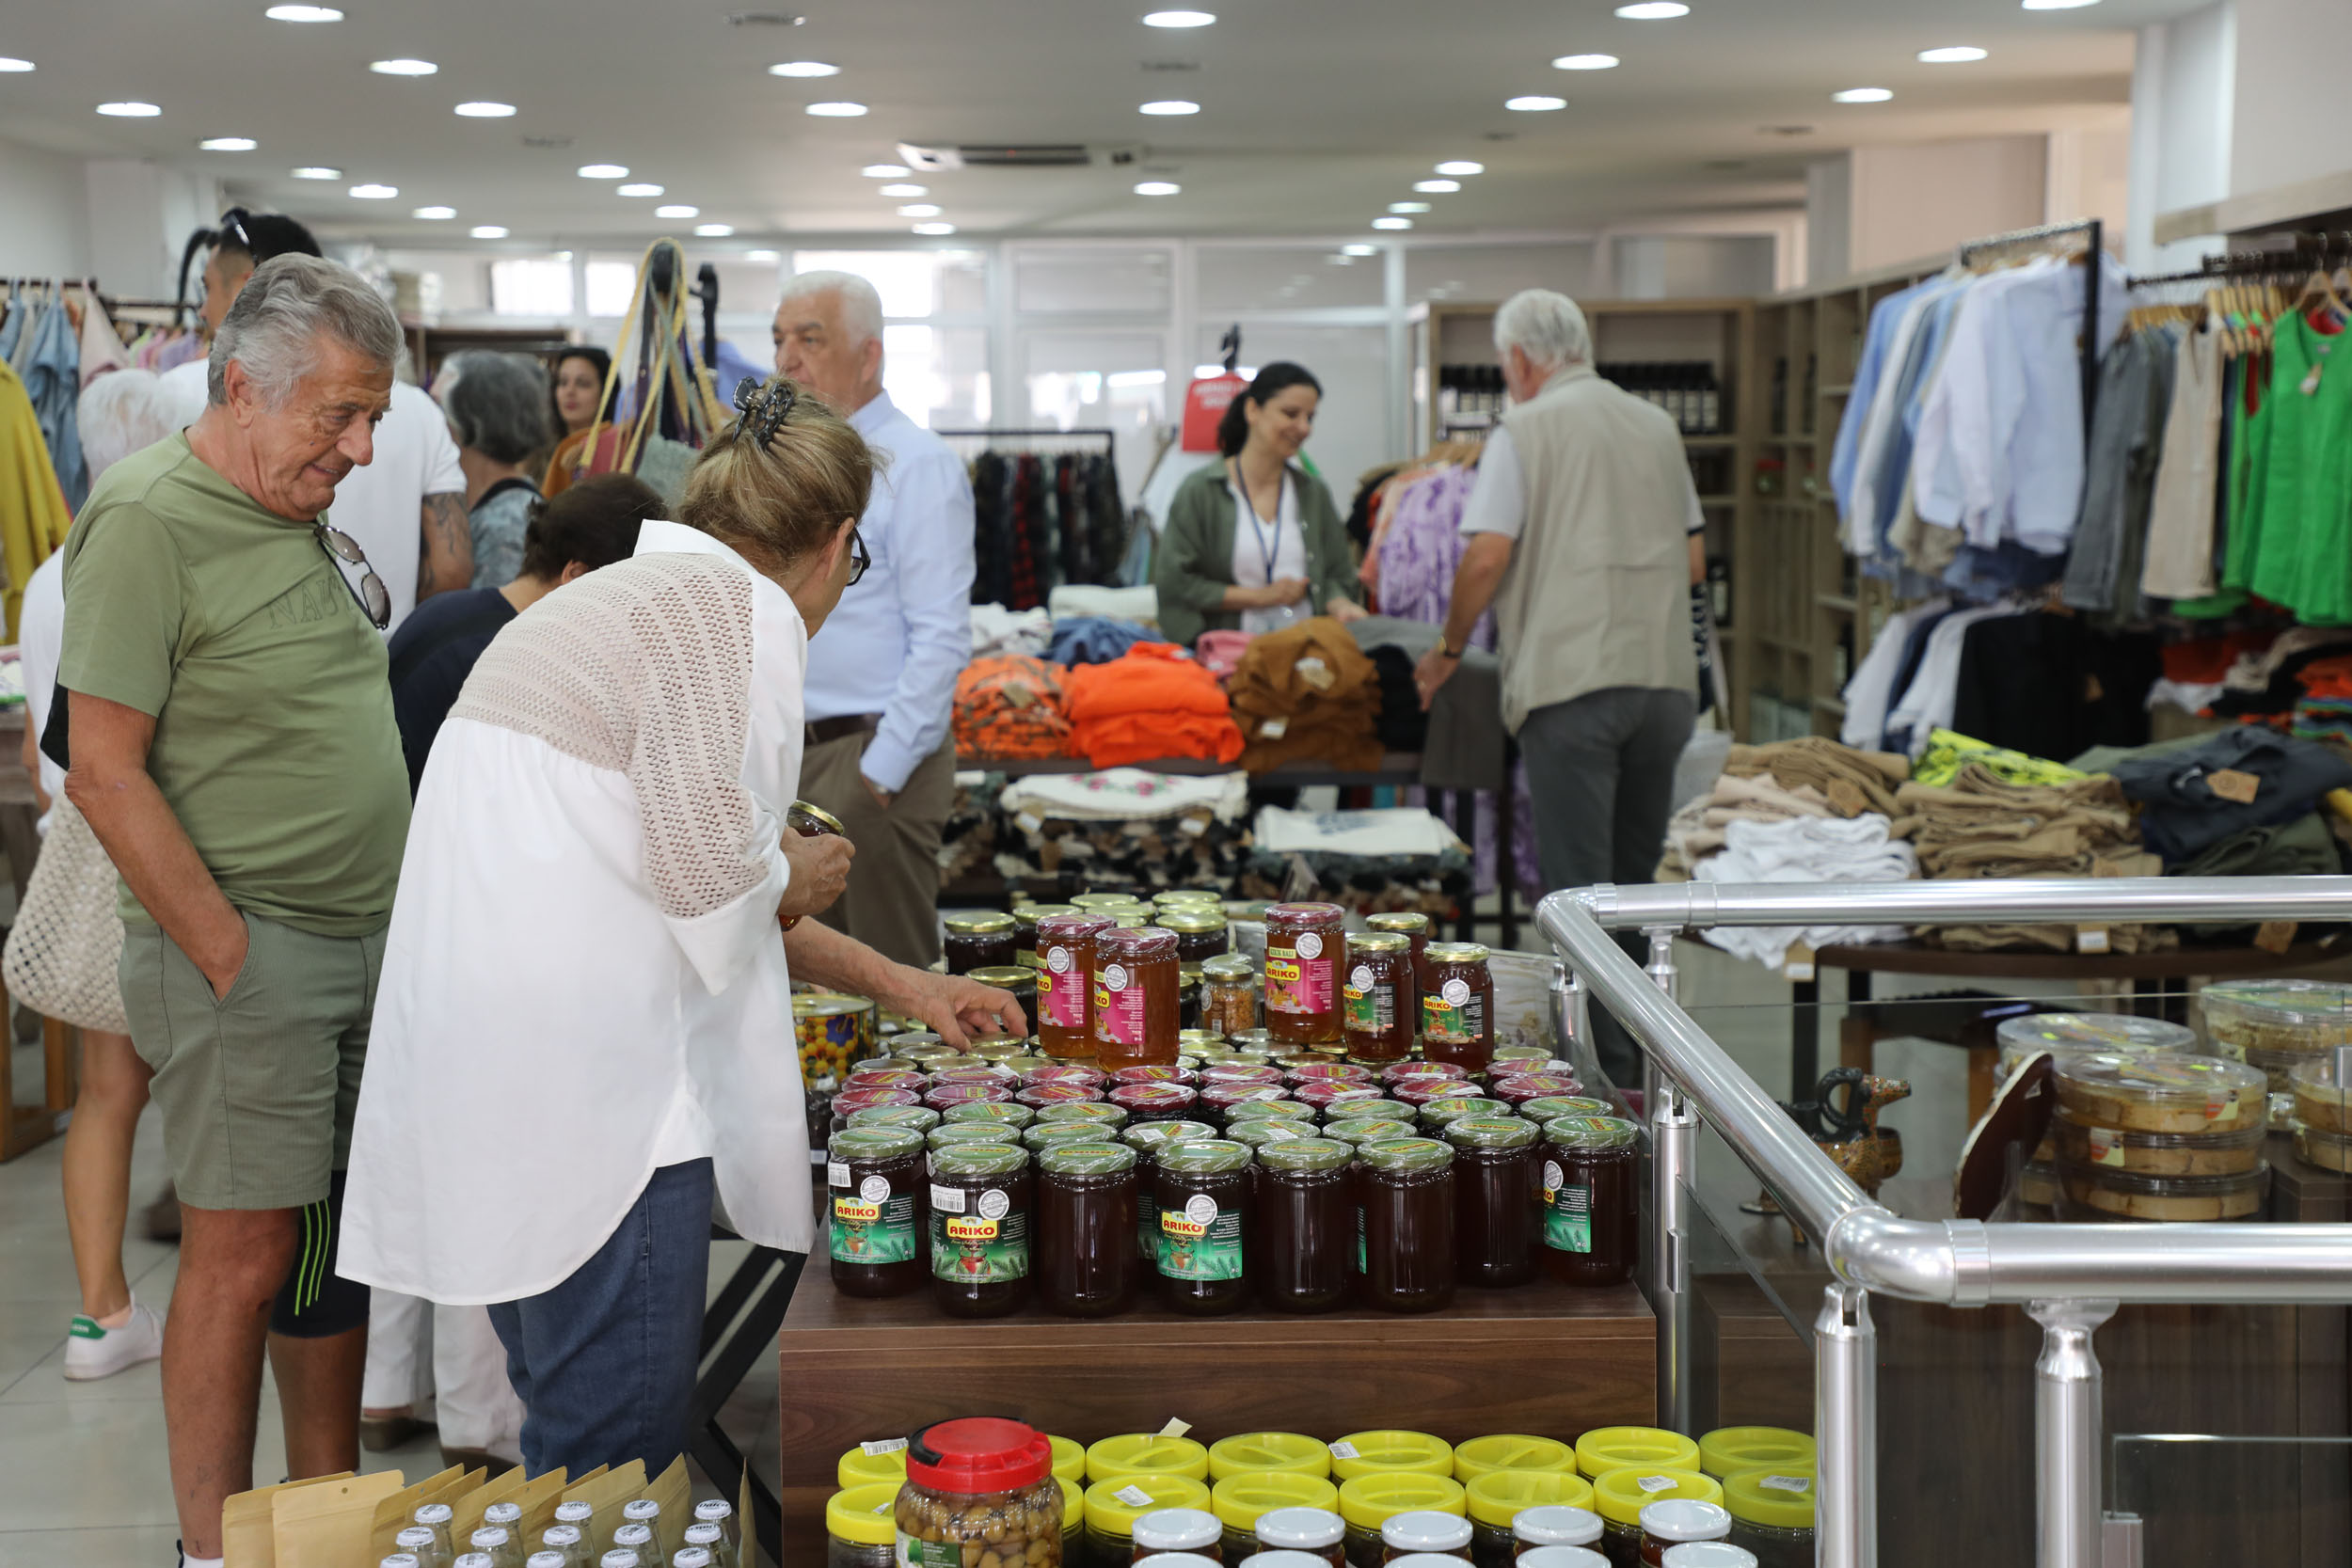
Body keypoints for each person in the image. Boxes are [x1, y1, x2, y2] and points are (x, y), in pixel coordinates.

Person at [340, 373, 1025, 1479]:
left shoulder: (608, 602)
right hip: (594, 1109)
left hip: (490, 1088)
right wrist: (796, 865)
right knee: (615, 1462)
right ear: (834, 542)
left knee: (568, 1447)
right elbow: (716, 891)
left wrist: (908, 984)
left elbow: (671, 872)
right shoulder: (729, 615)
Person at [57, 255, 411, 1565]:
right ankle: (211, 1550)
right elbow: (103, 768)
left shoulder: (292, 505)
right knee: (243, 1253)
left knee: (330, 1248)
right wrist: (227, 951)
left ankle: (325, 1520)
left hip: (361, 947)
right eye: (339, 414)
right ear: (242, 387)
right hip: (252, 953)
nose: (360, 447)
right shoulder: (149, 516)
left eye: (373, 417)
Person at [358, 471, 660, 1465]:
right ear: (575, 575)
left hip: (410, 916)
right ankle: (480, 1428)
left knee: (427, 1180)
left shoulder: (450, 620)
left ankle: (389, 1392)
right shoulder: (516, 653)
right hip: (463, 929)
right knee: (481, 1197)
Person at [1415, 289, 1704, 1087]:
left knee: (1579, 896)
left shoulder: (1525, 430)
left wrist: (1447, 648)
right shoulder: (1657, 425)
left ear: (1518, 359)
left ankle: (1604, 1086)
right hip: (1663, 684)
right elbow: (1693, 561)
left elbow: (1485, 556)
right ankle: (1647, 1064)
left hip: (1573, 685)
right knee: (1636, 892)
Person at [17, 368, 175, 1381]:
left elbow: (53, 742)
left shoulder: (48, 575)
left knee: (107, 1091)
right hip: (143, 843)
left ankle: (99, 1311)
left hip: (70, 841)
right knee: (204, 1086)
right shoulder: (150, 554)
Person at [771, 270, 974, 968]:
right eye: (779, 339)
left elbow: (942, 634)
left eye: (810, 339)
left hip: (870, 758)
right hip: (790, 756)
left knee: (892, 980)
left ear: (869, 355)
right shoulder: (788, 465)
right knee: (804, 984)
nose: (787, 358)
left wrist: (880, 775)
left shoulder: (916, 465)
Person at [161, 208, 470, 628]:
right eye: (338, 415)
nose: (200, 309)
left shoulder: (179, 390)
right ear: (241, 394)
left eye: (209, 287)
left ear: (248, 288)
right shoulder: (420, 409)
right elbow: (451, 570)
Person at [1153, 362, 1364, 649]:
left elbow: (1338, 575)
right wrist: (1260, 597)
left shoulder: (1313, 493)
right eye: (1291, 414)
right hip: (1228, 658)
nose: (1304, 428)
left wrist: (1340, 604)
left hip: (1308, 654)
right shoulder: (1201, 492)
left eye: (1310, 417)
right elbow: (1175, 583)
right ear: (1253, 410)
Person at [434, 350, 555, 588]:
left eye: (437, 406)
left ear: (471, 420)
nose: (427, 418)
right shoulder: (487, 505)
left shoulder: (508, 523)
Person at [548, 345, 611, 439]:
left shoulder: (620, 446)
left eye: (582, 384)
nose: (570, 391)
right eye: (563, 382)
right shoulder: (543, 447)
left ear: (605, 391)